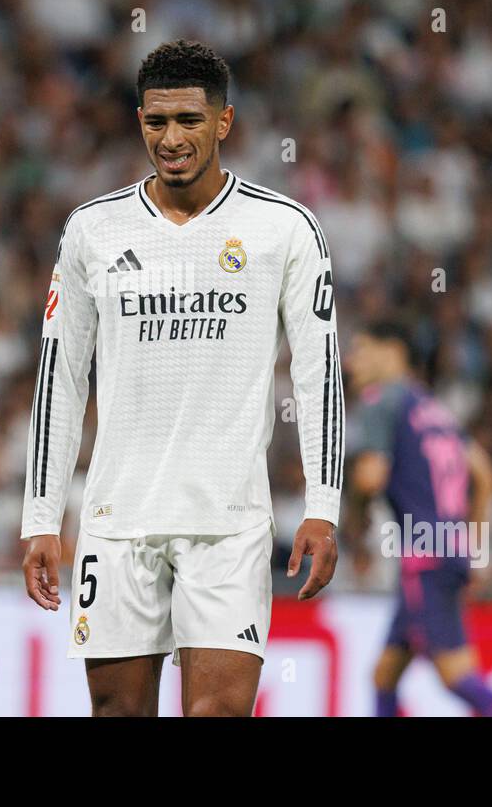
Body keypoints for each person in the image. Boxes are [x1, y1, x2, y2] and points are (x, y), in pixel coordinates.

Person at [21, 40, 341, 716]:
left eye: (189, 120)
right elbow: (60, 380)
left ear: (223, 121)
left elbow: (320, 373)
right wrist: (42, 516)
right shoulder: (92, 229)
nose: (171, 138)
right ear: (140, 120)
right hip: (117, 518)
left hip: (228, 523)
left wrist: (324, 504)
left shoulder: (282, 228)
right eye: (156, 122)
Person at [349, 320, 492, 716]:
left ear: (393, 351)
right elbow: (486, 475)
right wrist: (471, 547)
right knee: (385, 674)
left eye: (361, 348)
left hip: (424, 557)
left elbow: (370, 477)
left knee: (455, 673)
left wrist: (352, 513)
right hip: (445, 550)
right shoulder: (432, 407)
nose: (351, 361)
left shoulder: (380, 399)